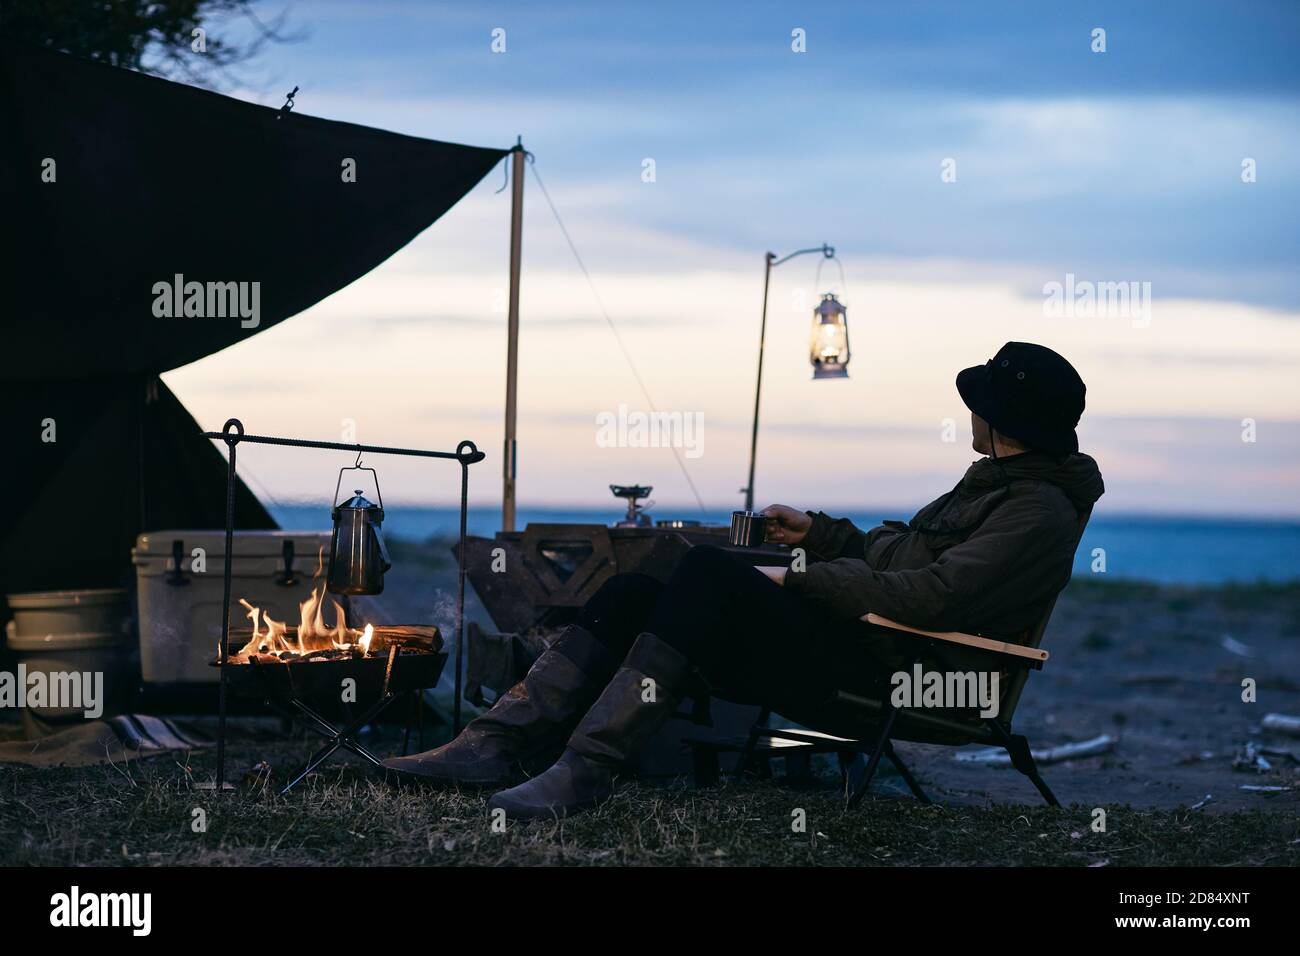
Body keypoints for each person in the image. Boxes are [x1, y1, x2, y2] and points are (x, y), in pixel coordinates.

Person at [382, 341, 1105, 819]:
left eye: (980, 401)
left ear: (1003, 418)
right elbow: (906, 560)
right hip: (877, 647)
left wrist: (805, 580)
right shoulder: (997, 483)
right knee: (642, 587)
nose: (969, 410)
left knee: (710, 574)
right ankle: (499, 742)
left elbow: (930, 597)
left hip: (907, 677)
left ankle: (588, 769)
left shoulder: (1035, 509)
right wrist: (818, 536)